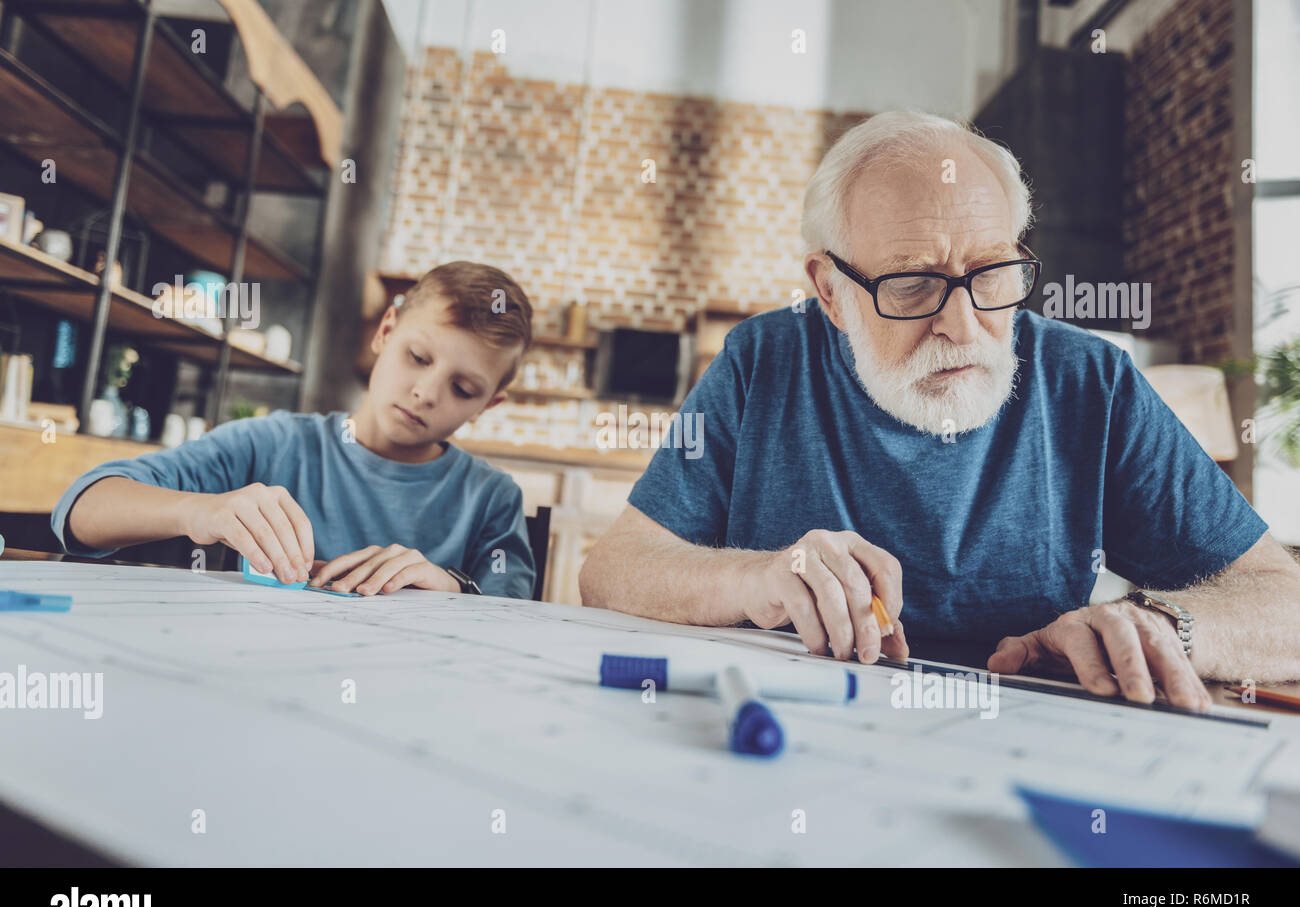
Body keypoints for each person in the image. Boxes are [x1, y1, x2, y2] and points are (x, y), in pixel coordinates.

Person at [580, 111, 1300, 712]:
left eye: (991, 272)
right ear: (829, 289)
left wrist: (1166, 626)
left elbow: (1285, 602)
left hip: (1024, 741)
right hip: (797, 729)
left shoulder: (1092, 383)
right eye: (913, 284)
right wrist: (754, 578)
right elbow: (612, 570)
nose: (962, 323)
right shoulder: (763, 361)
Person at [54, 261, 536, 599]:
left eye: (464, 388)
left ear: (487, 405)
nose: (426, 393)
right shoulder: (272, 444)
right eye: (418, 358)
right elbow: (79, 509)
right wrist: (199, 511)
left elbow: (511, 613)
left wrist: (451, 585)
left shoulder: (492, 498)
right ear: (386, 331)